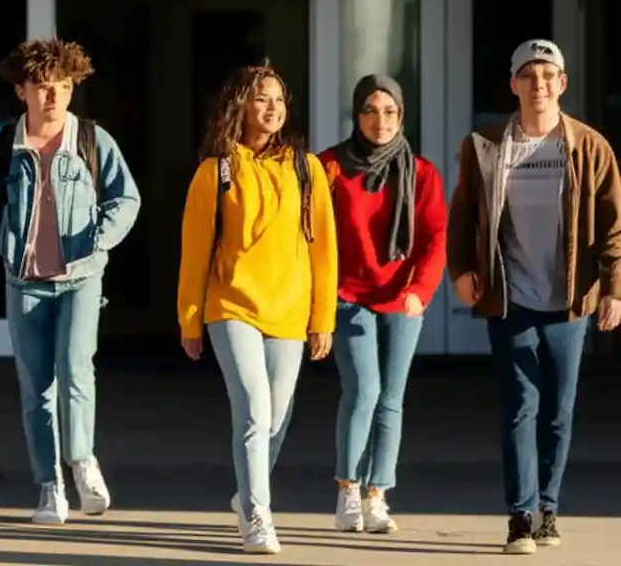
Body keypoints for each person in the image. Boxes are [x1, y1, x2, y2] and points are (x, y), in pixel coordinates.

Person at [447, 38, 621, 555]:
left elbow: (613, 225)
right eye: (528, 76)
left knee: (559, 411)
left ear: (562, 84)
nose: (538, 85)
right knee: (521, 404)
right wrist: (461, 270)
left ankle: (548, 508)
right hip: (511, 298)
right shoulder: (486, 144)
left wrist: (613, 287)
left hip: (569, 301)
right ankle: (521, 516)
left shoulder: (589, 146)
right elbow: (463, 214)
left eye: (548, 76)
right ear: (514, 84)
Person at [0, 38, 141, 525]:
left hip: (80, 279)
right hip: (25, 281)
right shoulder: (5, 145)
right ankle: (50, 485)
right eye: (43, 87)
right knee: (36, 387)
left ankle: (82, 460)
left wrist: (97, 240)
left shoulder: (90, 139)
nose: (53, 97)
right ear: (21, 90)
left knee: (75, 369)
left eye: (62, 87)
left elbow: (126, 199)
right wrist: (5, 241)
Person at [176, 60, 338, 555]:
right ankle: (257, 515)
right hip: (232, 306)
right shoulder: (216, 170)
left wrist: (323, 318)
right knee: (253, 409)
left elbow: (324, 249)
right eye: (261, 98)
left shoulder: (307, 169)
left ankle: (248, 489)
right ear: (240, 105)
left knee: (277, 417)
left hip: (290, 310)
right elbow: (195, 251)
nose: (272, 108)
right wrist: (189, 319)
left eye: (279, 99)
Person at [317, 75, 447, 534]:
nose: (380, 120)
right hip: (348, 295)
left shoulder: (421, 172)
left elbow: (435, 238)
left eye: (390, 111)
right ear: (356, 115)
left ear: (402, 116)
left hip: (402, 298)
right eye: (370, 110)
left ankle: (377, 495)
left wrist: (420, 290)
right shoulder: (330, 167)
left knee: (392, 397)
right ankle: (347, 490)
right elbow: (312, 234)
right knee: (363, 391)